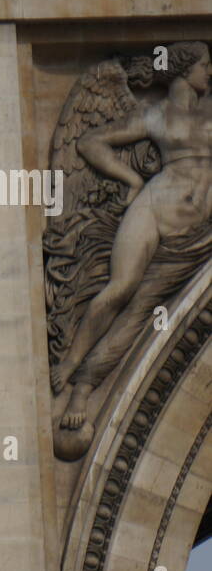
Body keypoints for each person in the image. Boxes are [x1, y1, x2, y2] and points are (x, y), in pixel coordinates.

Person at [53, 41, 212, 430]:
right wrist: (131, 179)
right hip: (156, 208)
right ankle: (77, 374)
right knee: (122, 290)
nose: (210, 71)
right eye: (206, 64)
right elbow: (90, 142)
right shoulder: (154, 113)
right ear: (184, 69)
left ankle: (83, 385)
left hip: (199, 229)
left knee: (141, 306)